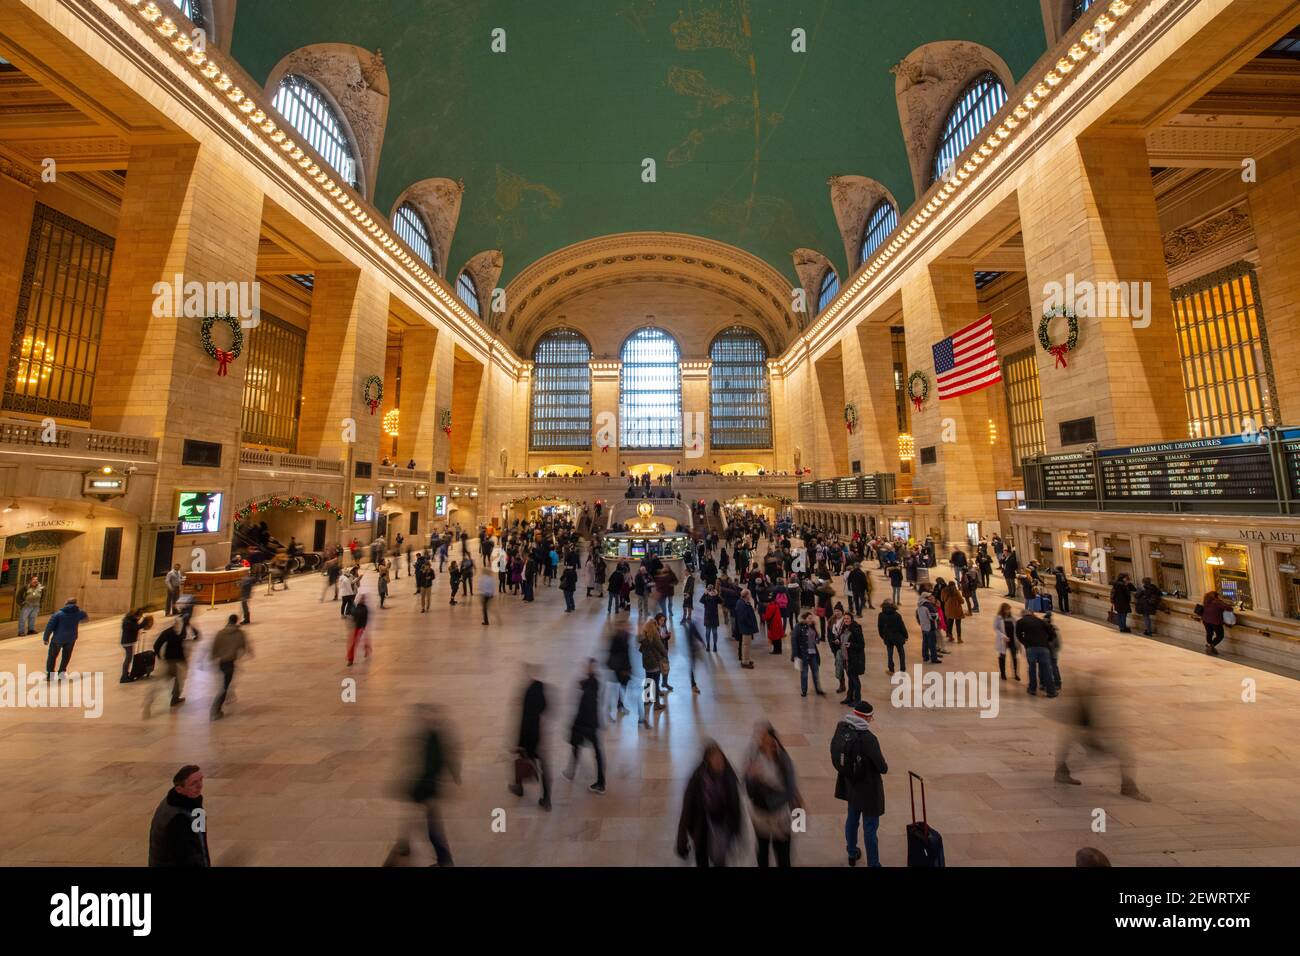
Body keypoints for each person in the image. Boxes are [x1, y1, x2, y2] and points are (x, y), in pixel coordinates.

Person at [387, 704, 461, 867]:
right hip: (425, 788)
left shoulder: (433, 738)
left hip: (426, 789)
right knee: (423, 823)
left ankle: (442, 859)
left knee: (431, 827)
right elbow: (447, 759)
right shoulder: (431, 736)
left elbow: (435, 764)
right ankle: (406, 847)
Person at [831, 699, 888, 867]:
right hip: (868, 789)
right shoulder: (868, 739)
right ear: (866, 718)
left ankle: (851, 852)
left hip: (850, 784)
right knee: (870, 828)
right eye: (871, 717)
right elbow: (882, 767)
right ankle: (874, 864)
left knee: (852, 818)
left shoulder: (842, 727)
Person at [675, 741, 742, 867]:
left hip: (722, 827)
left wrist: (736, 830)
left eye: (720, 758)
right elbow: (687, 809)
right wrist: (682, 837)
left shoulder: (729, 777)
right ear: (707, 761)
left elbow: (736, 806)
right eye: (714, 759)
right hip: (701, 828)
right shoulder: (697, 778)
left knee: (720, 860)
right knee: (702, 859)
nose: (718, 762)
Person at [744, 723, 802, 867]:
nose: (761, 740)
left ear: (772, 738)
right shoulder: (753, 756)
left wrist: (772, 800)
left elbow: (790, 788)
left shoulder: (783, 757)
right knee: (762, 851)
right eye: (759, 736)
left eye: (764, 736)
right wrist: (750, 777)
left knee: (783, 854)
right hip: (761, 815)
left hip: (780, 816)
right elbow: (749, 790)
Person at [148, 765, 210, 867]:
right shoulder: (178, 819)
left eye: (201, 780)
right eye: (194, 783)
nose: (200, 786)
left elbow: (200, 839)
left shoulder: (192, 801)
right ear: (179, 789)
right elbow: (186, 855)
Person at [508, 667, 551, 811]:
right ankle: (547, 799)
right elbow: (545, 707)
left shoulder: (528, 694)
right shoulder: (540, 690)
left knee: (520, 762)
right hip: (539, 737)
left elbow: (524, 722)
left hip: (528, 740)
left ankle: (519, 788)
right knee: (544, 768)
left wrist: (519, 744)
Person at [563, 659, 606, 794]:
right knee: (578, 747)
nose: (585, 668)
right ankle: (571, 772)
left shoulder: (589, 691)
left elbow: (585, 709)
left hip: (586, 725)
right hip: (590, 725)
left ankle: (600, 783)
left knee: (589, 750)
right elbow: (591, 684)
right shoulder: (593, 683)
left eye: (588, 667)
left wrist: (576, 724)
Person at [146, 616, 191, 717]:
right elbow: (156, 645)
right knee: (178, 681)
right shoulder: (178, 633)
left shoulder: (169, 632)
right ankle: (174, 699)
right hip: (175, 662)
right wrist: (159, 656)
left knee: (170, 682)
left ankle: (149, 702)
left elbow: (156, 645)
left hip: (169, 661)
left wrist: (160, 656)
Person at [210, 614, 250, 720]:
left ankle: (229, 696)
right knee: (225, 687)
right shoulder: (239, 634)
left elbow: (214, 648)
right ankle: (215, 710)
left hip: (221, 662)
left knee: (225, 683)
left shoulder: (220, 633)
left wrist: (213, 658)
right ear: (236, 621)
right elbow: (244, 647)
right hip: (230, 662)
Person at [42, 598, 88, 679]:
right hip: (71, 638)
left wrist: (46, 638)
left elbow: (49, 627)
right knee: (66, 656)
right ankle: (61, 674)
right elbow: (85, 618)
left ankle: (50, 675)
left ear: (66, 603)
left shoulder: (58, 614)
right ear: (75, 603)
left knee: (52, 656)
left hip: (58, 639)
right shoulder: (79, 613)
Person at [1015, 606, 1057, 697]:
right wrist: (1047, 641)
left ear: (1022, 615)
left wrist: (1025, 643)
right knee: (1047, 669)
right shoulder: (1040, 621)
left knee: (1032, 669)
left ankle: (1032, 689)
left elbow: (1018, 635)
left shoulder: (1020, 622)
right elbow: (1052, 633)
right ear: (1031, 613)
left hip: (1031, 648)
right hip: (1043, 648)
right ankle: (1051, 691)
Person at [637, 617, 668, 727]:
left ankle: (647, 704)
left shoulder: (644, 637)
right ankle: (656, 705)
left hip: (646, 664)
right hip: (655, 663)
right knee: (655, 683)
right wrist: (664, 655)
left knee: (648, 683)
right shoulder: (654, 636)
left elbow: (640, 650)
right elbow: (662, 648)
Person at [794, 609, 825, 697]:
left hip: (813, 654)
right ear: (804, 619)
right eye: (809, 618)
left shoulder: (813, 626)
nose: (811, 620)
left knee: (816, 672)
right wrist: (795, 655)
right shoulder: (798, 627)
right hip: (803, 654)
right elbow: (794, 641)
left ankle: (818, 689)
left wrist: (817, 638)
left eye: (812, 618)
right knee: (804, 674)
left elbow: (818, 639)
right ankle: (804, 690)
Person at [876, 599, 908, 675]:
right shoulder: (897, 615)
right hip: (898, 637)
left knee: (890, 654)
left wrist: (883, 636)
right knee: (901, 653)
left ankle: (891, 670)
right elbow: (902, 626)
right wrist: (906, 635)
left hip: (888, 637)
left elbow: (879, 627)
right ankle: (902, 670)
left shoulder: (881, 615)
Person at [607, 627, 632, 717]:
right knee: (620, 687)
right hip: (621, 669)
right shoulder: (620, 641)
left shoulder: (621, 640)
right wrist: (625, 669)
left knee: (621, 687)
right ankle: (618, 705)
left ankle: (619, 705)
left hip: (621, 668)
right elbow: (622, 656)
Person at [841, 611, 865, 705]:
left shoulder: (855, 629)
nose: (846, 620)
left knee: (855, 680)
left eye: (848, 618)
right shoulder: (845, 628)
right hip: (847, 658)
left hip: (855, 659)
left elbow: (861, 645)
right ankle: (849, 698)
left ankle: (857, 700)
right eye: (845, 619)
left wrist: (850, 644)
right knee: (850, 679)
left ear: (851, 619)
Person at [119, 608, 149, 683]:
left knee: (129, 658)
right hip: (127, 643)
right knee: (128, 659)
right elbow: (136, 627)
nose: (139, 618)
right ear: (135, 615)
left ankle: (125, 674)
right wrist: (144, 622)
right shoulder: (128, 622)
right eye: (139, 616)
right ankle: (124, 677)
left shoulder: (130, 619)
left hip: (128, 642)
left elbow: (136, 625)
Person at [1198, 590, 1232, 655]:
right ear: (1216, 596)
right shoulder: (1217, 602)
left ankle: (1209, 646)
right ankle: (1211, 647)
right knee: (1220, 635)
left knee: (1209, 633)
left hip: (1205, 620)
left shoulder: (1206, 601)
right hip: (1215, 621)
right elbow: (1229, 608)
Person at [733, 588, 759, 669]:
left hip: (745, 627)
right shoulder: (743, 604)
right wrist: (750, 624)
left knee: (746, 645)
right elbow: (743, 617)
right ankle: (745, 662)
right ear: (746, 595)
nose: (750, 596)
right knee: (746, 645)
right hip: (746, 628)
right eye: (749, 594)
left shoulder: (741, 602)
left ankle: (746, 659)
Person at [994, 602, 1020, 681]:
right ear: (1003, 610)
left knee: (1014, 657)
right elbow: (996, 628)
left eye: (1009, 609)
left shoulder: (1013, 618)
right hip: (1003, 640)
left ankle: (1016, 674)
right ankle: (1003, 673)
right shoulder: (998, 618)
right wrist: (1003, 636)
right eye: (1007, 609)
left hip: (1012, 640)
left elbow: (1016, 629)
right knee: (1002, 657)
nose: (1008, 611)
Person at [915, 590, 940, 665]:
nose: (930, 597)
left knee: (925, 643)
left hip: (923, 626)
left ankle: (925, 656)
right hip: (930, 626)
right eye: (929, 596)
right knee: (932, 643)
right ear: (926, 597)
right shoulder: (928, 606)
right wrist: (937, 615)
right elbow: (933, 617)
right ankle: (934, 658)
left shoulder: (919, 605)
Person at [346, 595, 372, 665]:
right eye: (361, 599)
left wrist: (363, 627)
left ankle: (367, 650)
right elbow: (352, 615)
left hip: (361, 627)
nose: (361, 600)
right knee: (353, 643)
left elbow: (365, 619)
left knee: (364, 641)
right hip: (356, 627)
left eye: (363, 599)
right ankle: (350, 659)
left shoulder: (365, 609)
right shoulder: (356, 607)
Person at [700, 583, 721, 651]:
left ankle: (715, 645)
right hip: (708, 617)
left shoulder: (715, 597)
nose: (711, 591)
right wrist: (705, 594)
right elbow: (701, 601)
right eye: (709, 589)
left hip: (714, 617)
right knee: (708, 632)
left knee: (714, 632)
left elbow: (721, 601)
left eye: (712, 589)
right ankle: (708, 644)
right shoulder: (706, 597)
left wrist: (717, 595)